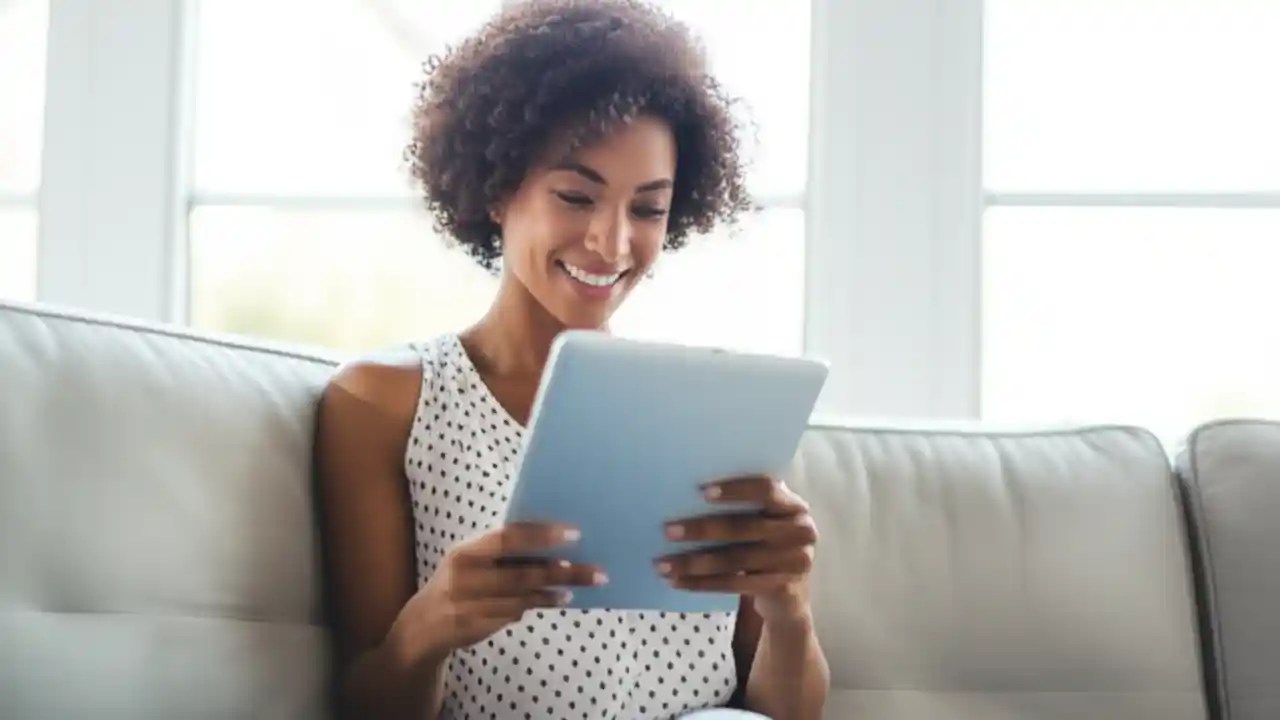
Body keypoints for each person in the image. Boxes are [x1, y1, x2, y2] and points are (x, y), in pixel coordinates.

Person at [315, 1, 829, 718]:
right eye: (576, 196)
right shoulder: (386, 404)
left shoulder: (709, 414)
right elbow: (366, 703)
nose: (612, 244)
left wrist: (790, 611)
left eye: (647, 210)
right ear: (498, 188)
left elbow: (786, 713)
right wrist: (430, 628)